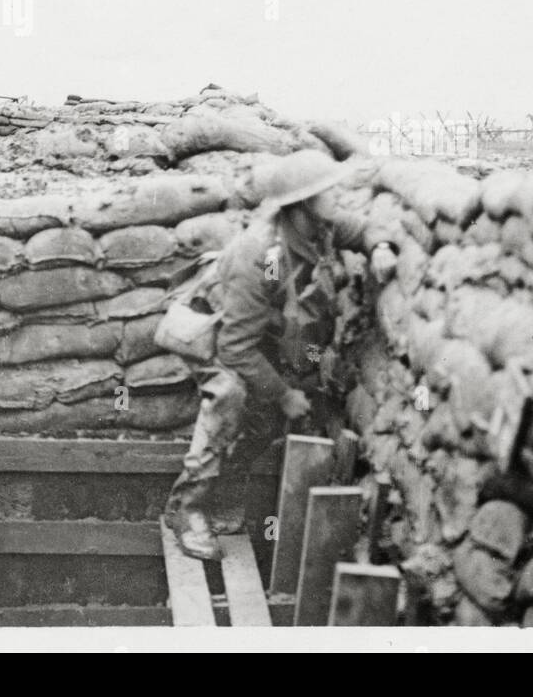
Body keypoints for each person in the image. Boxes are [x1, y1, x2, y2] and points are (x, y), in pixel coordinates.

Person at [164, 149, 401, 560]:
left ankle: (227, 493)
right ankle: (186, 507)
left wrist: (379, 246)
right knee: (233, 397)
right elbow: (235, 348)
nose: (337, 195)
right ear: (303, 202)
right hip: (216, 334)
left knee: (280, 399)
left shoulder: (319, 229)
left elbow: (363, 228)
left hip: (257, 335)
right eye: (327, 190)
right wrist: (284, 393)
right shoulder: (262, 255)